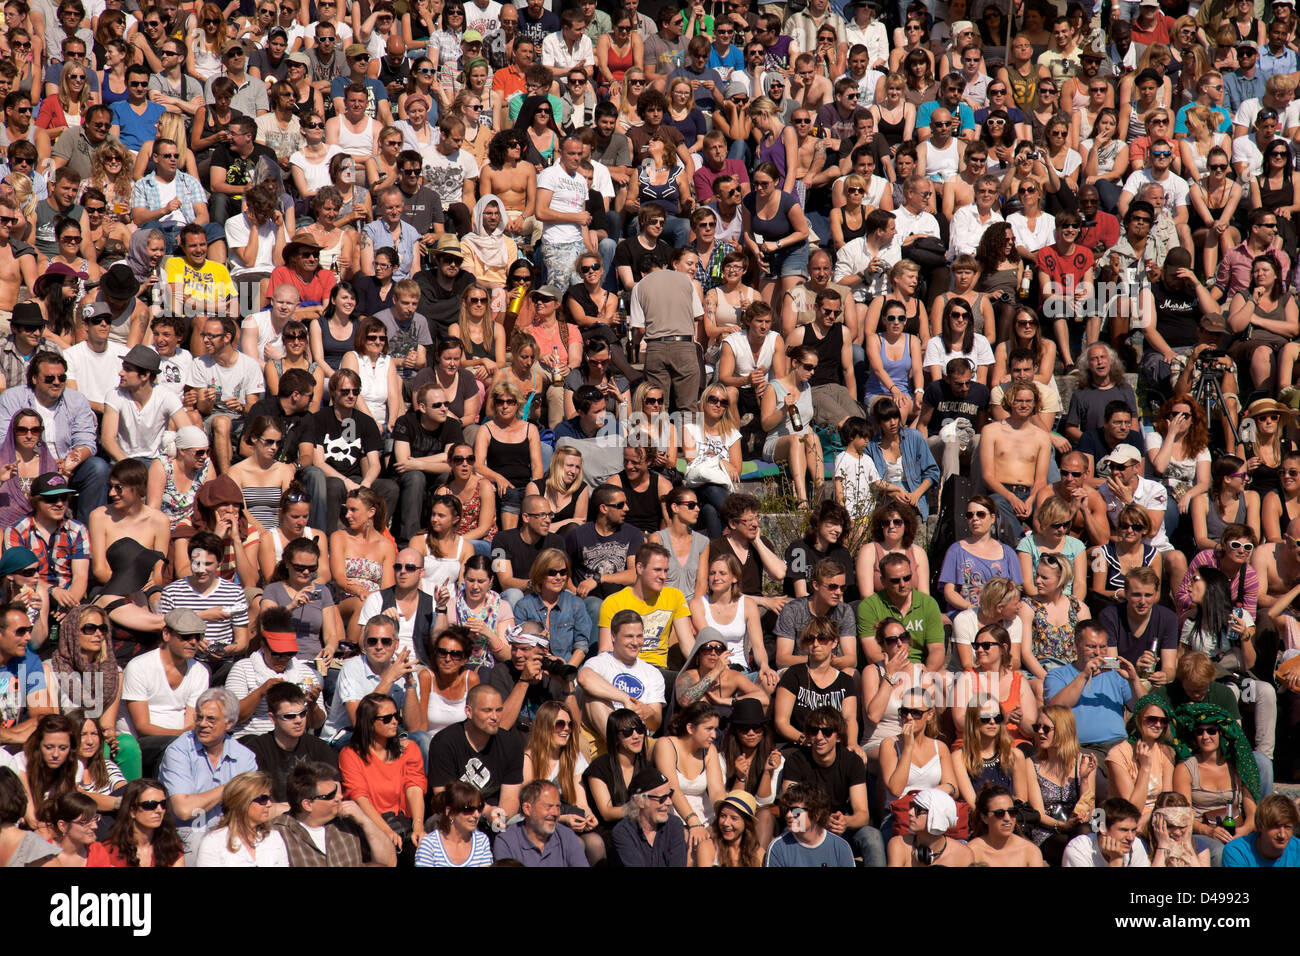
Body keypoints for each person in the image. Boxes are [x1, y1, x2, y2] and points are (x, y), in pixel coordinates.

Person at [159, 688, 258, 860]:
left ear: (229, 723)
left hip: (230, 833)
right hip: (185, 834)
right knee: (197, 837)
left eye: (211, 719)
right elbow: (184, 810)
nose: (203, 724)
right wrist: (231, 787)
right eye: (199, 717)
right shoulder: (179, 750)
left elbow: (251, 808)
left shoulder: (245, 757)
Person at [338, 692, 426, 865]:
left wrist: (418, 825)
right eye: (386, 718)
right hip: (369, 828)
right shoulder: (350, 755)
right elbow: (359, 798)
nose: (394, 721)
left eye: (396, 715)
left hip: (405, 824)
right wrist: (385, 831)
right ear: (369, 723)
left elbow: (414, 787)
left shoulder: (408, 749)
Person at [1171, 700, 1260, 865]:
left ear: (1221, 733)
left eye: (1211, 731)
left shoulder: (1237, 765)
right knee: (1221, 852)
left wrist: (1242, 832)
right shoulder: (1185, 769)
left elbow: (1252, 814)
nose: (1205, 737)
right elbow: (1183, 814)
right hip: (1200, 832)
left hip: (1237, 829)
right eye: (1199, 732)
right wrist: (1209, 831)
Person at [427, 684, 524, 825]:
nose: (495, 717)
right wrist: (484, 811)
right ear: (469, 712)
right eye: (487, 711)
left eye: (499, 710)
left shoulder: (511, 743)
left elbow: (510, 797)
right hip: (455, 815)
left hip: (496, 817)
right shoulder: (444, 742)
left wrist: (499, 817)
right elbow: (443, 796)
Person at [271, 761, 398, 867]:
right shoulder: (278, 833)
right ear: (307, 804)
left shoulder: (348, 822)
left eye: (337, 790)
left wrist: (365, 821)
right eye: (330, 795)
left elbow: (389, 862)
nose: (340, 797)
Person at [244, 684, 338, 803]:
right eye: (289, 716)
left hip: (314, 815)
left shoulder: (319, 747)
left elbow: (336, 788)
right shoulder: (256, 750)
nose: (298, 720)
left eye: (303, 714)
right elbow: (256, 800)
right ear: (272, 718)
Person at [194, 770, 288, 867]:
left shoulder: (274, 837)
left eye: (269, 798)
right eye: (263, 799)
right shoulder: (214, 842)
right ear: (243, 802)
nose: (269, 804)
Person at [85, 778, 184, 867]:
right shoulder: (109, 851)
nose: (159, 810)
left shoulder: (171, 846)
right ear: (132, 811)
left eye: (163, 804)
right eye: (150, 805)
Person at [766, 782, 855, 867]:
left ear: (816, 814)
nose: (788, 815)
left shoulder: (840, 847)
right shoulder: (778, 848)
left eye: (796, 811)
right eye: (787, 810)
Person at [886, 786, 975, 867]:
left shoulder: (963, 855)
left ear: (937, 815)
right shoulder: (899, 845)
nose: (910, 812)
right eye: (911, 806)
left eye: (919, 810)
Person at [1061, 796, 1149, 866]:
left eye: (1133, 830)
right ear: (1103, 828)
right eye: (1124, 830)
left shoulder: (1136, 845)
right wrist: (1116, 861)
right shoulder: (1078, 850)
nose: (1130, 837)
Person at [1222, 793, 1300, 866]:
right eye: (1275, 827)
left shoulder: (1297, 850)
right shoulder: (1237, 852)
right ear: (1260, 826)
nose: (1282, 835)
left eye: (1287, 827)